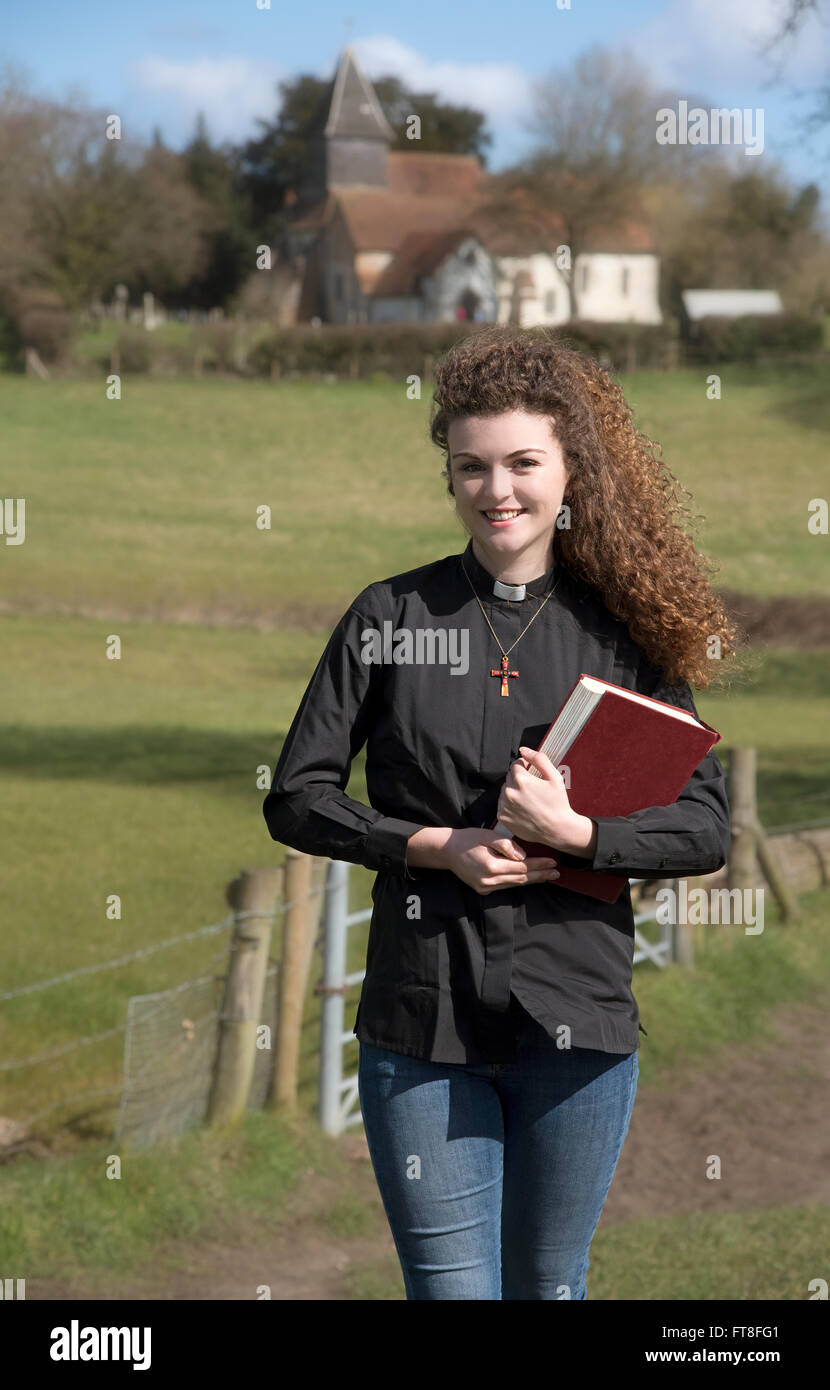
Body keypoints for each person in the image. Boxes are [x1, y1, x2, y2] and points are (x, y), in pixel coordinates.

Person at [263, 325, 742, 1300]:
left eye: (523, 462)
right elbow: (297, 796)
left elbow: (702, 828)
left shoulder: (624, 634)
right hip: (420, 1024)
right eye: (469, 467)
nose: (497, 489)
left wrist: (578, 835)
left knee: (547, 1288)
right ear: (448, 478)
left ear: (570, 470)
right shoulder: (385, 617)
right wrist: (434, 846)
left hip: (579, 1021)